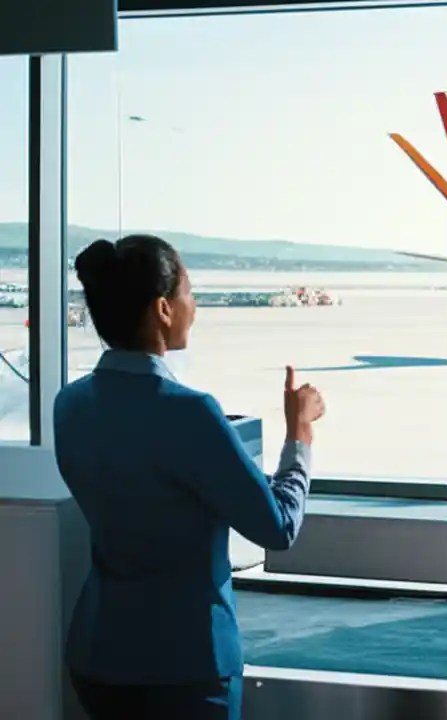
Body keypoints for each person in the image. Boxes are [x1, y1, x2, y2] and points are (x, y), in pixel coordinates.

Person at [53, 234, 325, 720]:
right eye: (189, 293)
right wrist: (299, 432)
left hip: (98, 656)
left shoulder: (69, 405)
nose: (193, 307)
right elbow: (278, 526)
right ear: (163, 309)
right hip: (184, 668)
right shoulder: (190, 413)